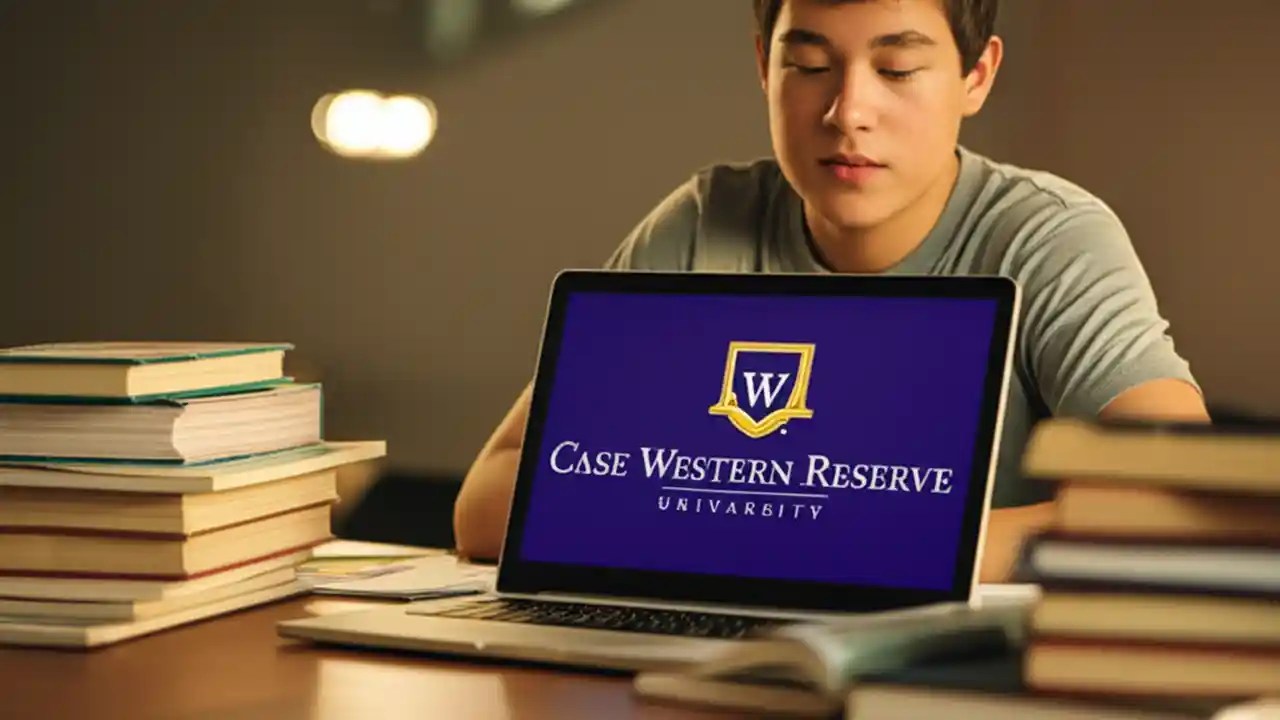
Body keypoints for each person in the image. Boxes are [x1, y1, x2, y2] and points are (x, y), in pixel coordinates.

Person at [452, 0, 1210, 580]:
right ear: (764, 65)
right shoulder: (704, 224)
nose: (847, 113)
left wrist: (843, 540)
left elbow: (1181, 502)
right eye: (810, 65)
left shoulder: (1046, 238)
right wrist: (794, 530)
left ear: (976, 76)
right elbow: (487, 504)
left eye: (897, 70)